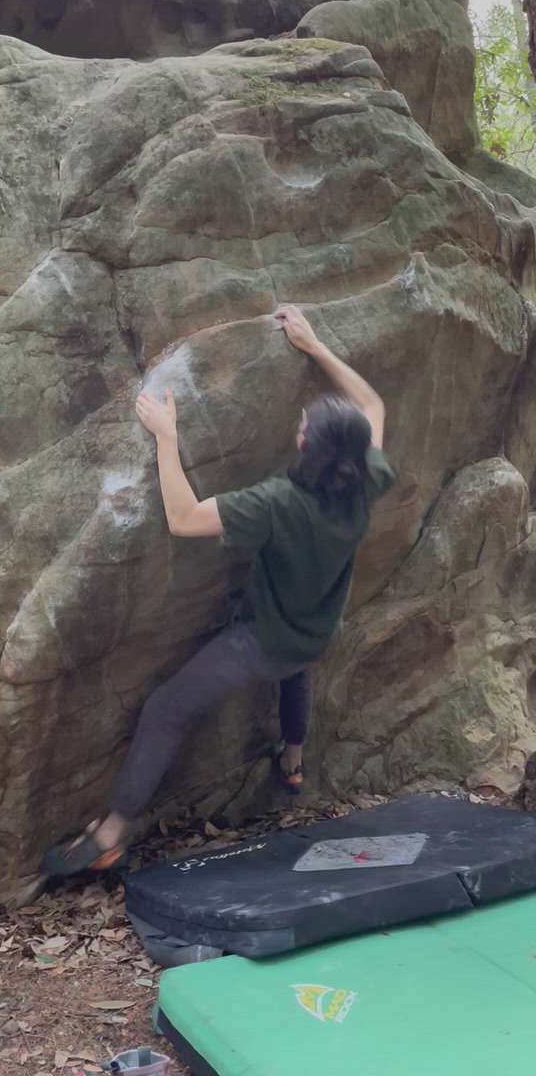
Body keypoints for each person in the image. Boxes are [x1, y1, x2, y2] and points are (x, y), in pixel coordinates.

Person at [41, 306, 396, 877]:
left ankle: (110, 835)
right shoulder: (363, 482)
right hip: (316, 630)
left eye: (304, 425)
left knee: (165, 709)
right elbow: (373, 406)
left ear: (306, 446)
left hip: (262, 641)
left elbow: (182, 518)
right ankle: (294, 758)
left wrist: (166, 436)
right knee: (298, 667)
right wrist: (316, 346)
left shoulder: (276, 504)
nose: (299, 426)